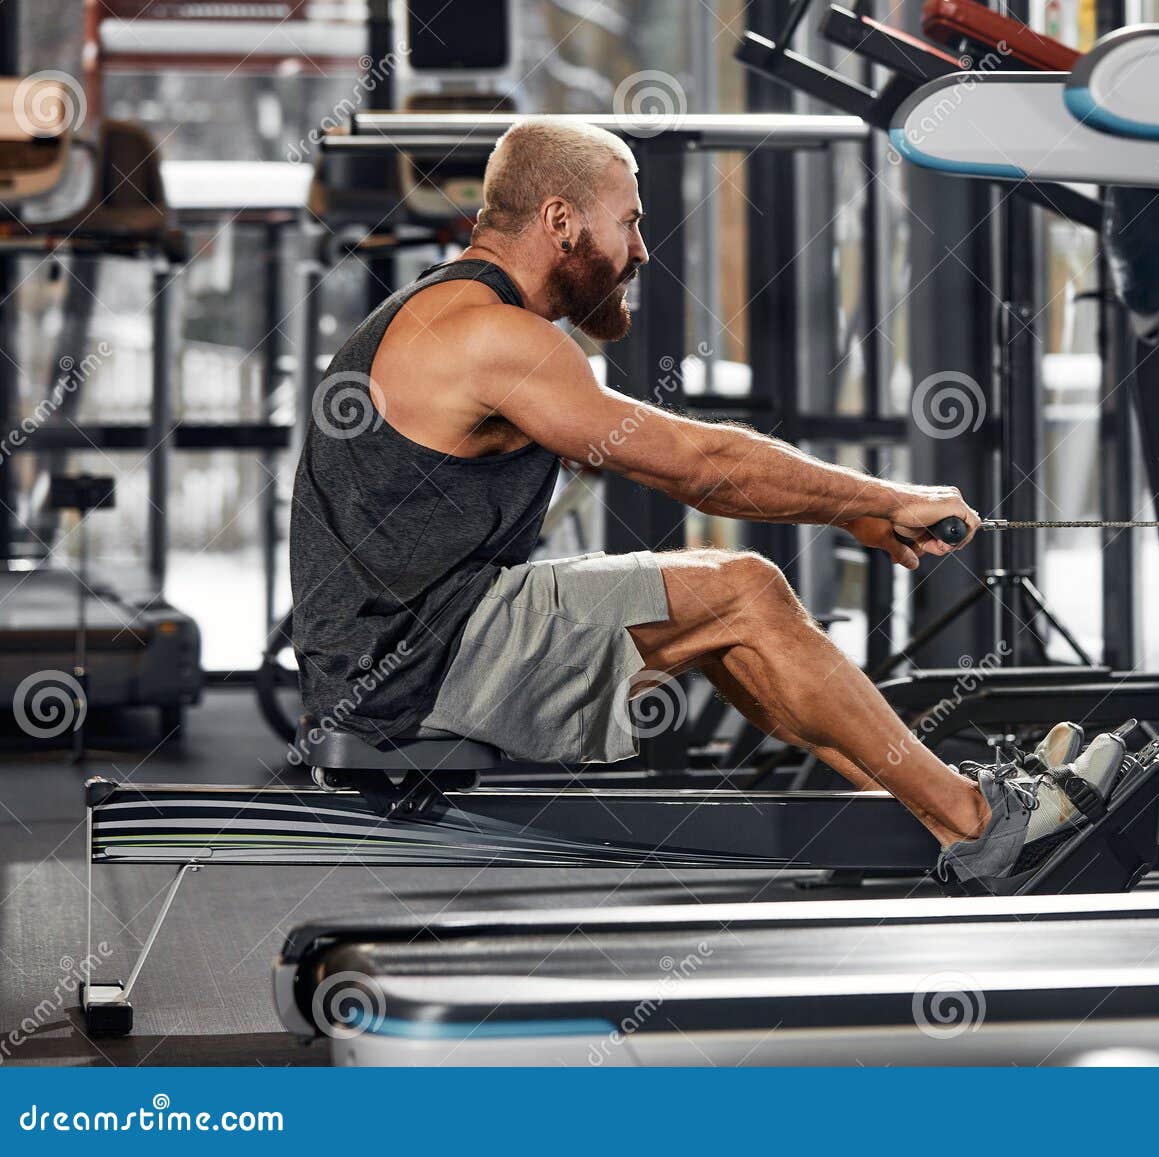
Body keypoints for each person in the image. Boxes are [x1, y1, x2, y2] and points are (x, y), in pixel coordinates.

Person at [290, 118, 1117, 884]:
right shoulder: (495, 336)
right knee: (745, 589)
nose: (643, 250)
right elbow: (699, 463)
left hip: (412, 636)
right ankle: (983, 820)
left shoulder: (451, 309)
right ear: (562, 221)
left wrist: (852, 513)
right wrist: (884, 498)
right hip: (418, 654)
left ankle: (951, 814)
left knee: (727, 616)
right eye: (629, 222)